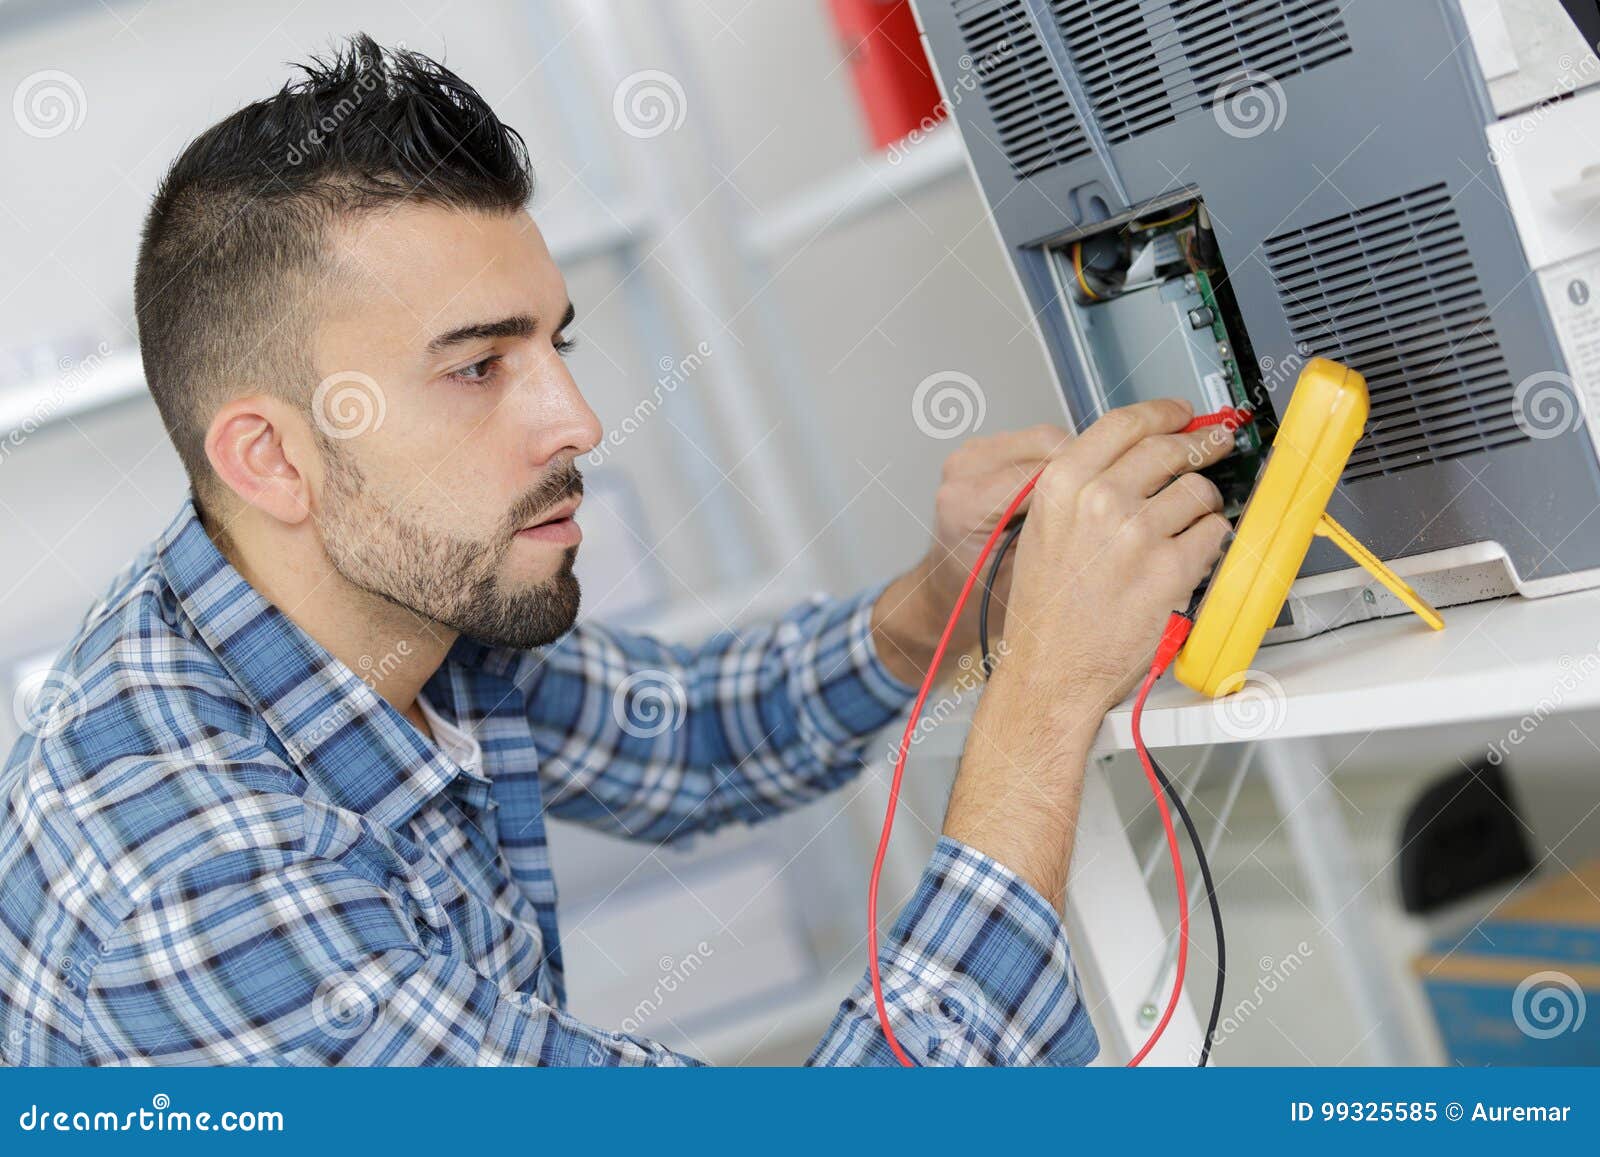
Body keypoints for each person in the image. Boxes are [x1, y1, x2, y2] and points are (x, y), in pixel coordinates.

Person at [0, 36, 1231, 1066]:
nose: (577, 423)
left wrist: (940, 610)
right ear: (269, 458)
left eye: (556, 346)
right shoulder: (203, 890)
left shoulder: (363, 598)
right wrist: (1042, 705)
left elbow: (682, 731)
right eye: (479, 367)